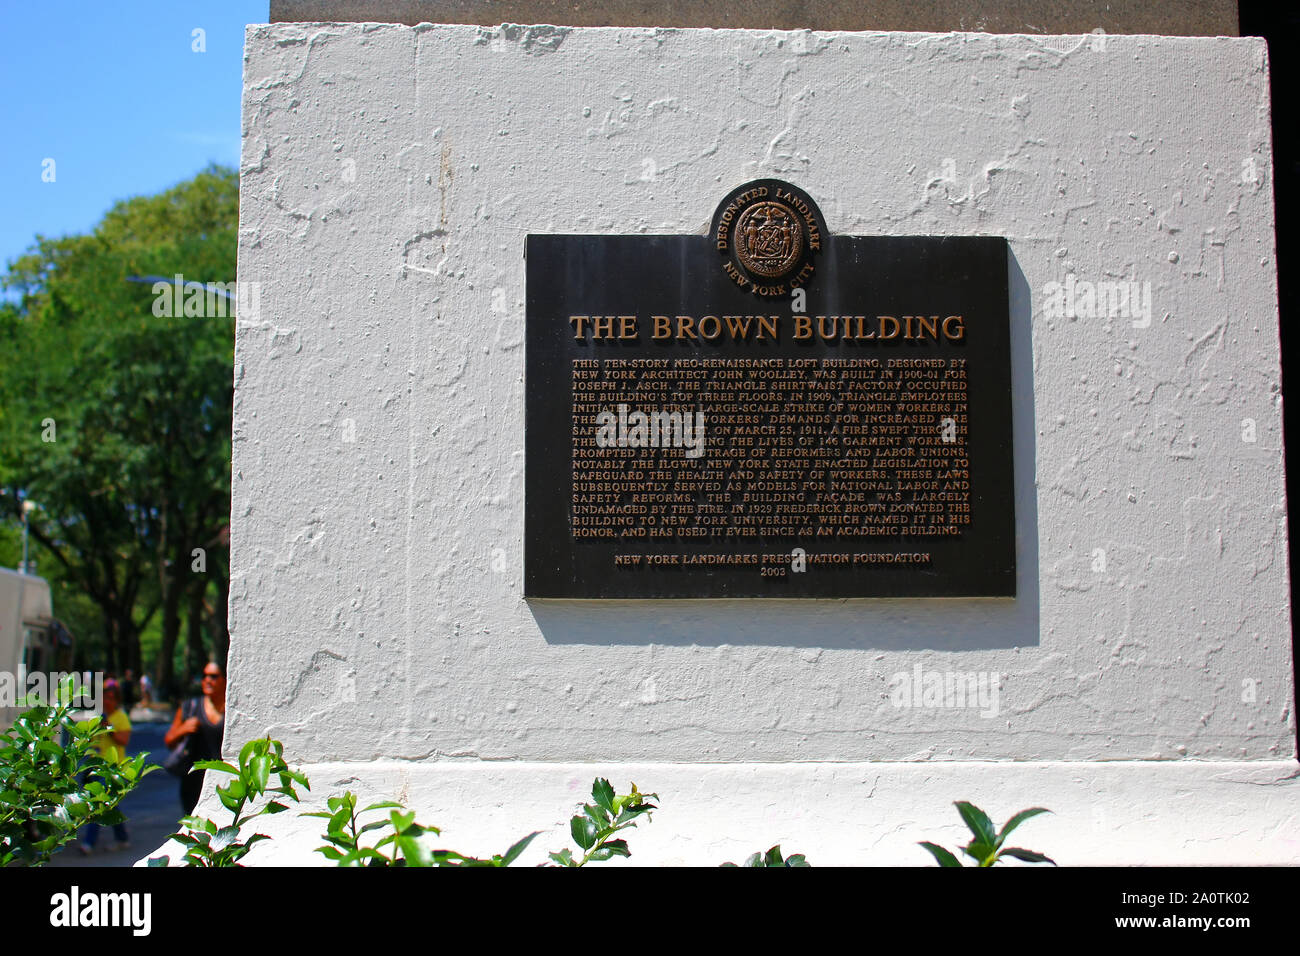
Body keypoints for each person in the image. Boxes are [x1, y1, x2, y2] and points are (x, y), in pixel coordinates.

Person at [163, 662, 227, 815]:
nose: (207, 680)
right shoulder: (190, 707)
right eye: (204, 676)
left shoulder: (233, 710)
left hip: (224, 780)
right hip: (193, 781)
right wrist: (182, 729)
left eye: (213, 676)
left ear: (225, 679)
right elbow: (169, 740)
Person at [79, 681, 132, 854]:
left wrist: (108, 727)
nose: (107, 701)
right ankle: (122, 838)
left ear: (116, 700)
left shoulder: (120, 717)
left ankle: (89, 842)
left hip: (113, 769)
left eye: (111, 698)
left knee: (98, 804)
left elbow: (123, 740)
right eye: (104, 698)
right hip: (96, 766)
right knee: (109, 805)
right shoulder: (98, 717)